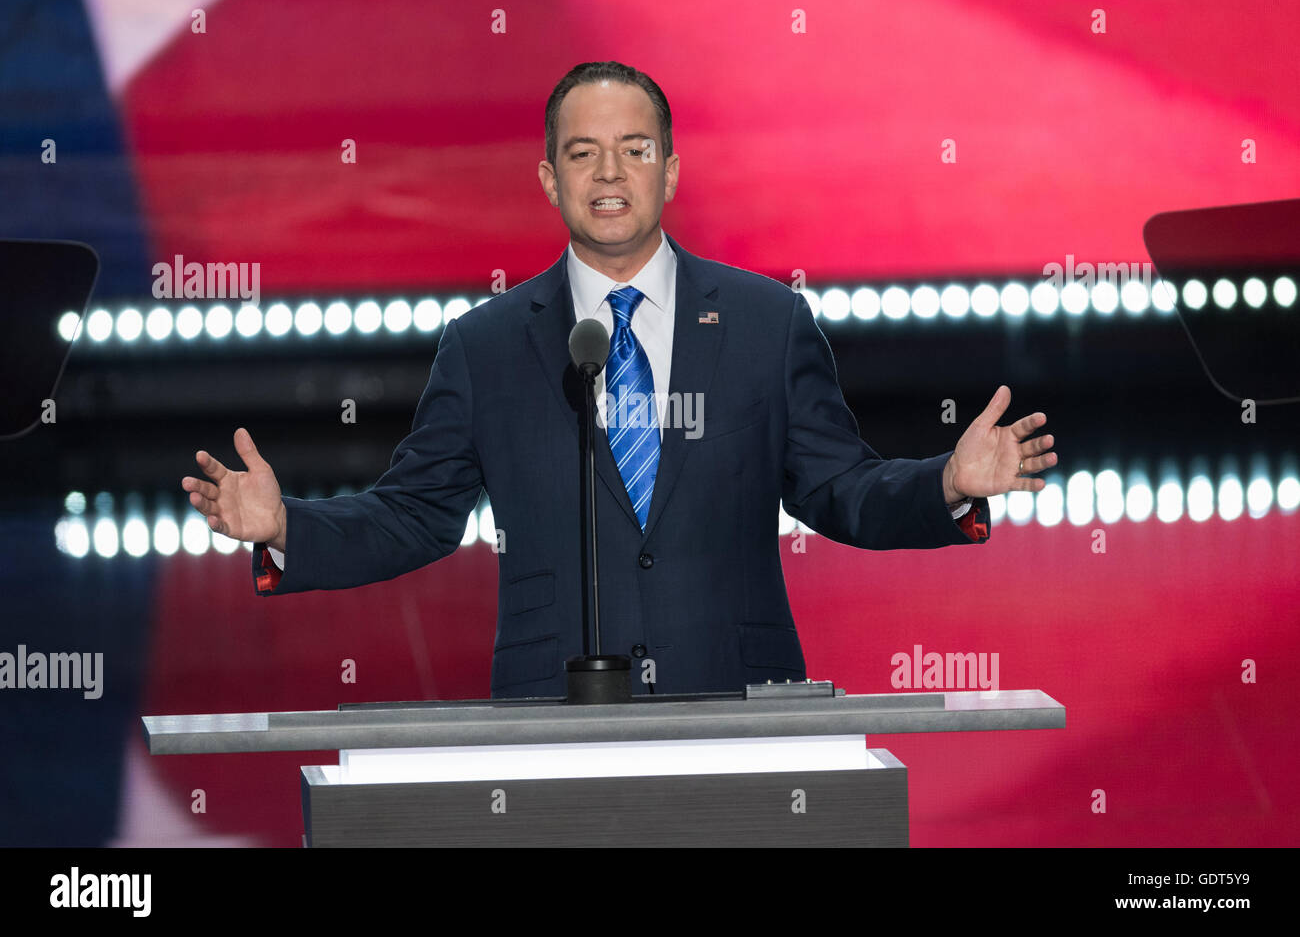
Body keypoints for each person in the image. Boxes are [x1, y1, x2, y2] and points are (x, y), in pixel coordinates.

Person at [181, 61, 1057, 699]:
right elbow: (416, 514)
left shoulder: (766, 322)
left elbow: (839, 489)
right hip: (550, 709)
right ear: (549, 179)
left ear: (670, 170)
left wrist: (944, 483)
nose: (609, 174)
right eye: (583, 153)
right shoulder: (485, 345)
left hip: (737, 699)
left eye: (634, 150)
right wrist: (287, 526)